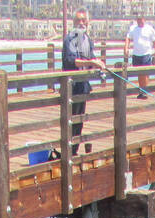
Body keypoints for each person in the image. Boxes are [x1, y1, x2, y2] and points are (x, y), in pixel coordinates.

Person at [62, 9, 102, 155]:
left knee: (80, 119)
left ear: (87, 22)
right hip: (71, 85)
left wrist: (97, 63)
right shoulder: (69, 39)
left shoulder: (87, 39)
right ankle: (68, 151)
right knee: (70, 119)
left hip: (83, 85)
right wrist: (91, 61)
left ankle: (74, 149)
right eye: (78, 20)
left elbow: (91, 58)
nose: (80, 23)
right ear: (73, 22)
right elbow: (71, 61)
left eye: (83, 20)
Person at [125, 15, 155, 99]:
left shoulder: (149, 29)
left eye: (142, 19)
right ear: (137, 20)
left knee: (144, 73)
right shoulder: (133, 28)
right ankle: (143, 90)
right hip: (136, 54)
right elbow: (128, 38)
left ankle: (143, 91)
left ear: (144, 20)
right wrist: (126, 48)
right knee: (140, 74)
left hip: (146, 53)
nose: (140, 21)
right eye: (139, 20)